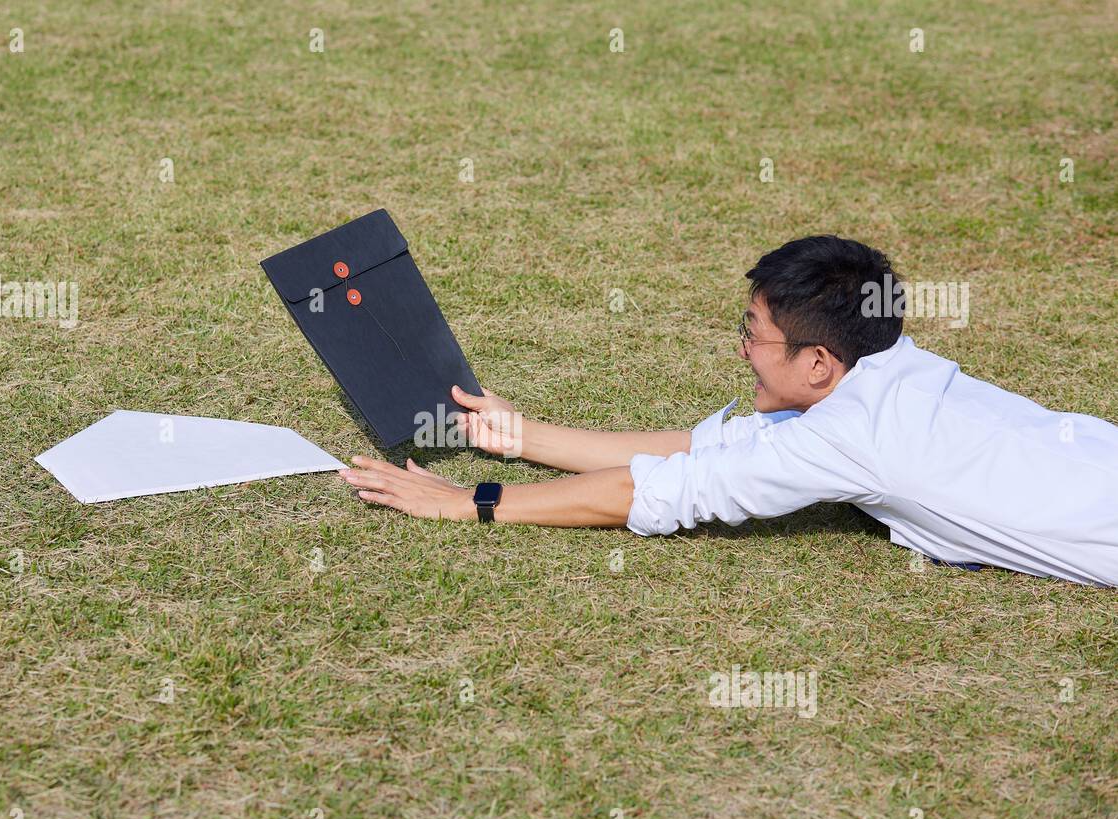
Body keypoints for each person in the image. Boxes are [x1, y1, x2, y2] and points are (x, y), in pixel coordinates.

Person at [338, 236, 1118, 587]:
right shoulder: (890, 366)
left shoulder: (851, 438)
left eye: (754, 334)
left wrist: (468, 502)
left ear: (817, 361)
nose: (742, 349)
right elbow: (705, 449)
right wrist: (519, 436)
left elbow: (655, 493)